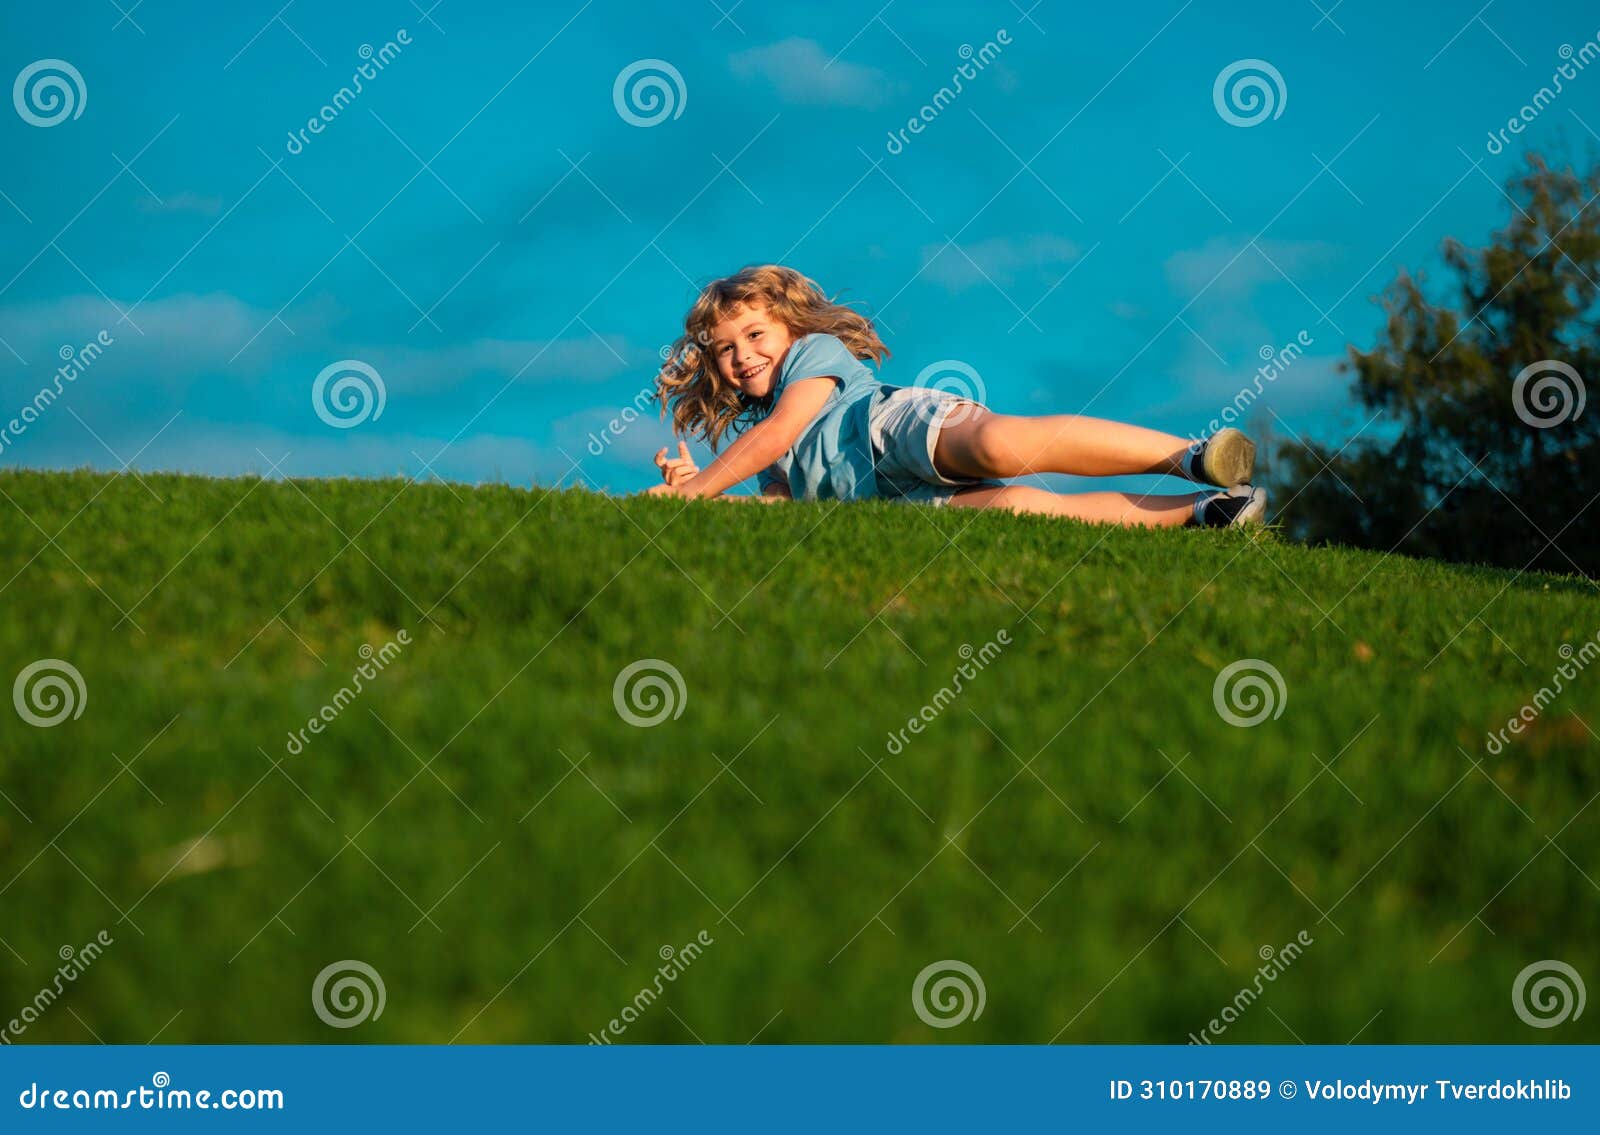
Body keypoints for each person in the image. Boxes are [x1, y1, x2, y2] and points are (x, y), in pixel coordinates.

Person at [648, 264, 1267, 528]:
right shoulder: (769, 461)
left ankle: (1192, 454)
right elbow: (780, 509)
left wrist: (702, 487)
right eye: (725, 349)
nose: (742, 355)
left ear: (792, 328)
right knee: (1020, 513)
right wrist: (695, 502)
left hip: (891, 428)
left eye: (755, 334)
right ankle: (1205, 513)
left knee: (999, 446)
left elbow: (779, 432)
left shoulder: (812, 360)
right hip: (890, 501)